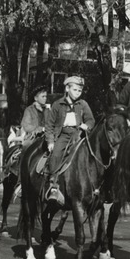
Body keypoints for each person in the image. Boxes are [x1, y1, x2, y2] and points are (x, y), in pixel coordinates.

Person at [42, 75, 96, 205]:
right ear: (67, 88)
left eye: (80, 91)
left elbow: (91, 120)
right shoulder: (57, 104)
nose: (78, 93)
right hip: (63, 135)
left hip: (78, 135)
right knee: (56, 154)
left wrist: (87, 126)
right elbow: (49, 125)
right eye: (75, 90)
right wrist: (50, 141)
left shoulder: (83, 104)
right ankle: (54, 186)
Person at [20, 83, 50, 148]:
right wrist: (41, 129)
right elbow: (26, 125)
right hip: (33, 137)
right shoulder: (29, 110)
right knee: (26, 147)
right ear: (36, 98)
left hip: (48, 136)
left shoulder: (48, 110)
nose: (45, 98)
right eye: (43, 96)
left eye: (46, 96)